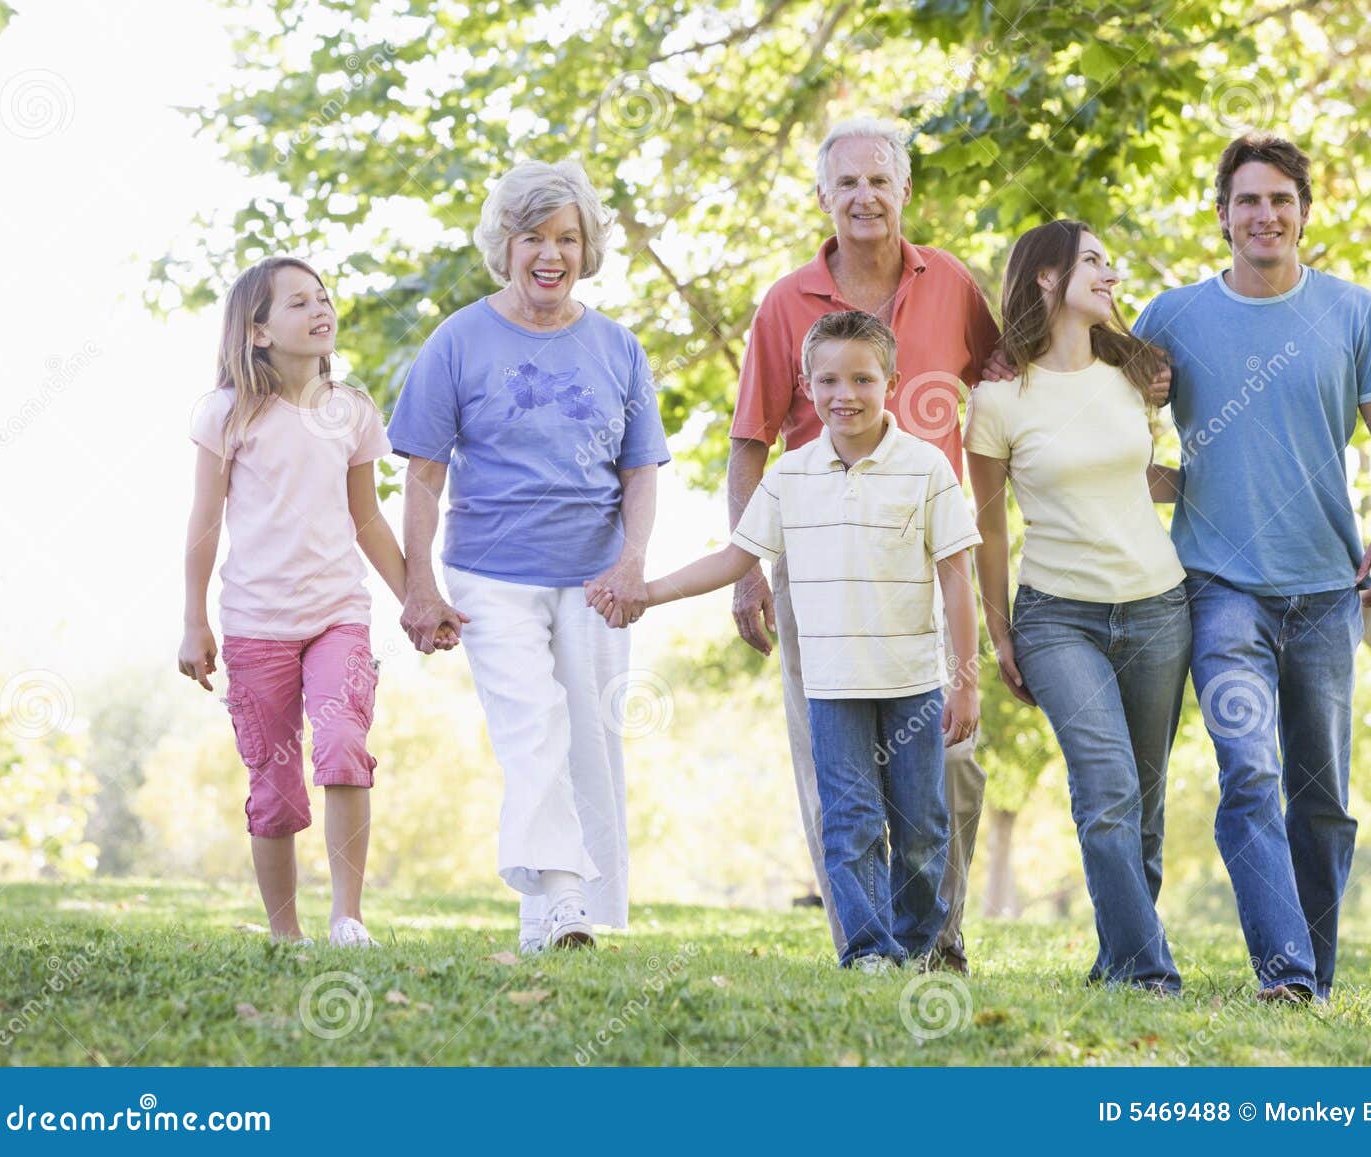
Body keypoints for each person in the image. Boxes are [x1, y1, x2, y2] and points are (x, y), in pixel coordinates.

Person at [596, 311, 981, 971]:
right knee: (851, 822)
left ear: (891, 382)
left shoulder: (926, 468)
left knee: (923, 827)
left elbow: (956, 579)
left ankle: (920, 946)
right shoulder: (790, 476)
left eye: (862, 378)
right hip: (831, 687)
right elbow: (733, 559)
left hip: (913, 682)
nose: (845, 393)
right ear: (806, 386)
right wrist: (646, 592)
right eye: (828, 379)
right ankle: (869, 950)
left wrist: (965, 681)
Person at [1131, 134, 1371, 1001]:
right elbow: (1098, 416)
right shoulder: (1171, 317)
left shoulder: (1353, 312)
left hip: (1329, 591)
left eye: (1281, 200)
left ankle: (1314, 977)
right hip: (1219, 588)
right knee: (1249, 772)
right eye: (1248, 200)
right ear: (1222, 216)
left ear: (1304, 212)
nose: (1265, 215)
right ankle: (1286, 971)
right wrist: (1170, 479)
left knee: (1321, 797)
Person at [728, 117, 1000, 972]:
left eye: (879, 180)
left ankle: (937, 937)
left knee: (950, 764)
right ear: (822, 196)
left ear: (905, 190)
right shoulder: (785, 303)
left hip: (927, 563)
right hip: (819, 572)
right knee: (834, 770)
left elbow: (1009, 380)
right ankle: (866, 944)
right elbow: (750, 441)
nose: (864, 196)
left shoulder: (950, 282)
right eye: (846, 182)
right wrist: (748, 572)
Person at [387, 158, 670, 952]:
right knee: (531, 728)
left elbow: (641, 470)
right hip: (490, 573)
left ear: (587, 249)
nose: (551, 254)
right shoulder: (458, 340)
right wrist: (418, 585)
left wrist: (633, 561)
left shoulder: (618, 347)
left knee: (588, 741)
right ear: (505, 246)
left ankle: (542, 914)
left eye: (567, 238)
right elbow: (423, 474)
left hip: (595, 577)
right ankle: (568, 900)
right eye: (533, 237)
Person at [966, 221, 1190, 992]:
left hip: (1158, 607)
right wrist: (999, 632)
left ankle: (1118, 953)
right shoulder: (997, 399)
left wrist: (1204, 486)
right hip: (1057, 617)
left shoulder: (1135, 374)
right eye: (1093, 261)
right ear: (1046, 277)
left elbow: (1134, 476)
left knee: (1145, 805)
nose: (1110, 275)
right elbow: (990, 527)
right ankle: (1147, 969)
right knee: (1107, 787)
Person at [178, 255, 416, 949]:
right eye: (298, 303)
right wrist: (194, 621)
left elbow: (368, 519)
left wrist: (416, 600)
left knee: (343, 744)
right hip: (256, 625)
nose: (320, 310)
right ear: (257, 331)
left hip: (339, 615)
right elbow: (204, 523)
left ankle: (348, 919)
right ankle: (287, 936)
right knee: (275, 784)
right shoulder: (226, 413)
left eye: (323, 298)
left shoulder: (352, 411)